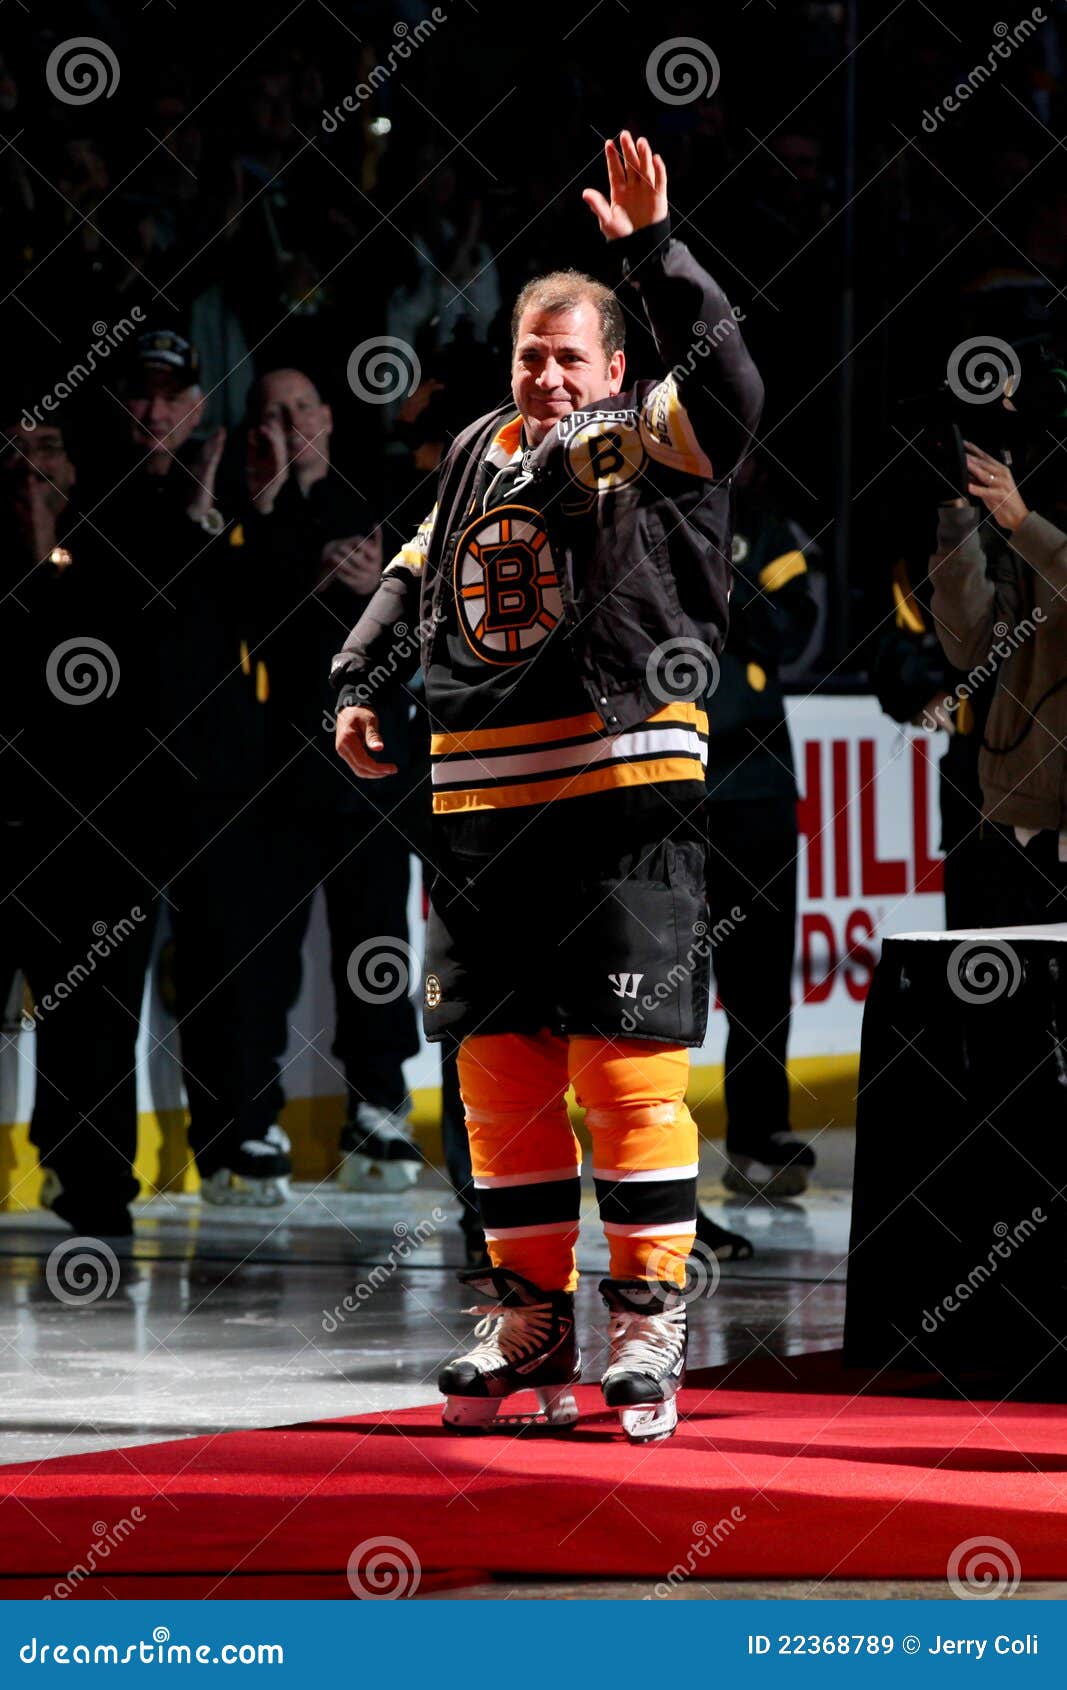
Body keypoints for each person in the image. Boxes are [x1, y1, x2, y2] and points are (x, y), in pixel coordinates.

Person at [331, 134, 763, 1442]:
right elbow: (410, 570)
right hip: (477, 809)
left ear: (614, 366)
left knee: (627, 1075)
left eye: (572, 355)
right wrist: (357, 675)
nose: (549, 375)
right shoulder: (469, 450)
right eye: (532, 355)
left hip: (622, 795)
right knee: (498, 1077)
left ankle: (643, 1322)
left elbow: (734, 390)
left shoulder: (648, 439)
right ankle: (527, 1314)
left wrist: (651, 249)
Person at [238, 367, 422, 1192]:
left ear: (330, 417)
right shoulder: (248, 511)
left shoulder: (378, 495)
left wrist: (376, 597)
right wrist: (287, 530)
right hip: (273, 773)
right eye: (274, 413)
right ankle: (251, 1121)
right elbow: (240, 623)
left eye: (302, 409)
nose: (290, 424)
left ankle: (378, 1107)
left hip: (372, 770)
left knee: (376, 944)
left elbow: (427, 621)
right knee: (263, 956)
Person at [702, 455, 818, 1203]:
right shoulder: (631, 519)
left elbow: (791, 629)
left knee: (760, 980)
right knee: (646, 983)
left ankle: (756, 1134)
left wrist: (724, 588)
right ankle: (641, 1149)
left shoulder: (768, 529)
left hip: (756, 792)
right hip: (663, 789)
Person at [930, 425, 1067, 923]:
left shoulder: (1030, 524)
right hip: (1020, 817)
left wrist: (1025, 524)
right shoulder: (1031, 517)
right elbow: (971, 647)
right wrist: (957, 522)